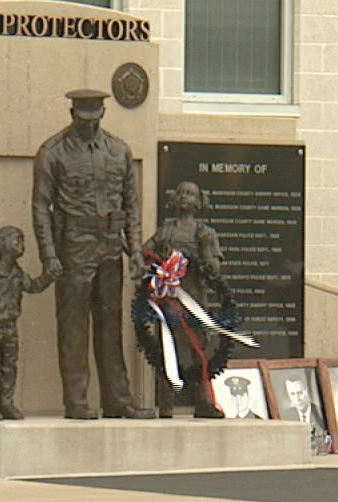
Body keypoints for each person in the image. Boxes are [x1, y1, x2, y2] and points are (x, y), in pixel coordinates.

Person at [31, 88, 155, 420]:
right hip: (73, 243)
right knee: (73, 326)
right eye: (83, 119)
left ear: (102, 115)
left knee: (110, 325)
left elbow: (132, 205)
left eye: (94, 119)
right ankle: (77, 401)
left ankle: (118, 399)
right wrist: (48, 254)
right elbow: (41, 206)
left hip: (111, 244)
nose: (89, 125)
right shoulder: (52, 152)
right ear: (72, 115)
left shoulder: (119, 150)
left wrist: (136, 250)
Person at [142, 181, 226, 418]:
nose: (184, 197)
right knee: (167, 350)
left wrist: (205, 250)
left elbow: (215, 270)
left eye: (190, 194)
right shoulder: (165, 231)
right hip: (169, 301)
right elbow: (144, 252)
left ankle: (202, 402)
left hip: (194, 301)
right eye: (179, 192)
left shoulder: (205, 232)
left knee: (198, 351)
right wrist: (157, 261)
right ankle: (166, 404)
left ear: (200, 201)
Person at [0, 225, 53, 420]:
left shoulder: (17, 273)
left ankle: (6, 403)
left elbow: (32, 286)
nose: (22, 245)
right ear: (3, 244)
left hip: (10, 326)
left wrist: (49, 276)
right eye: (18, 240)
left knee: (9, 367)